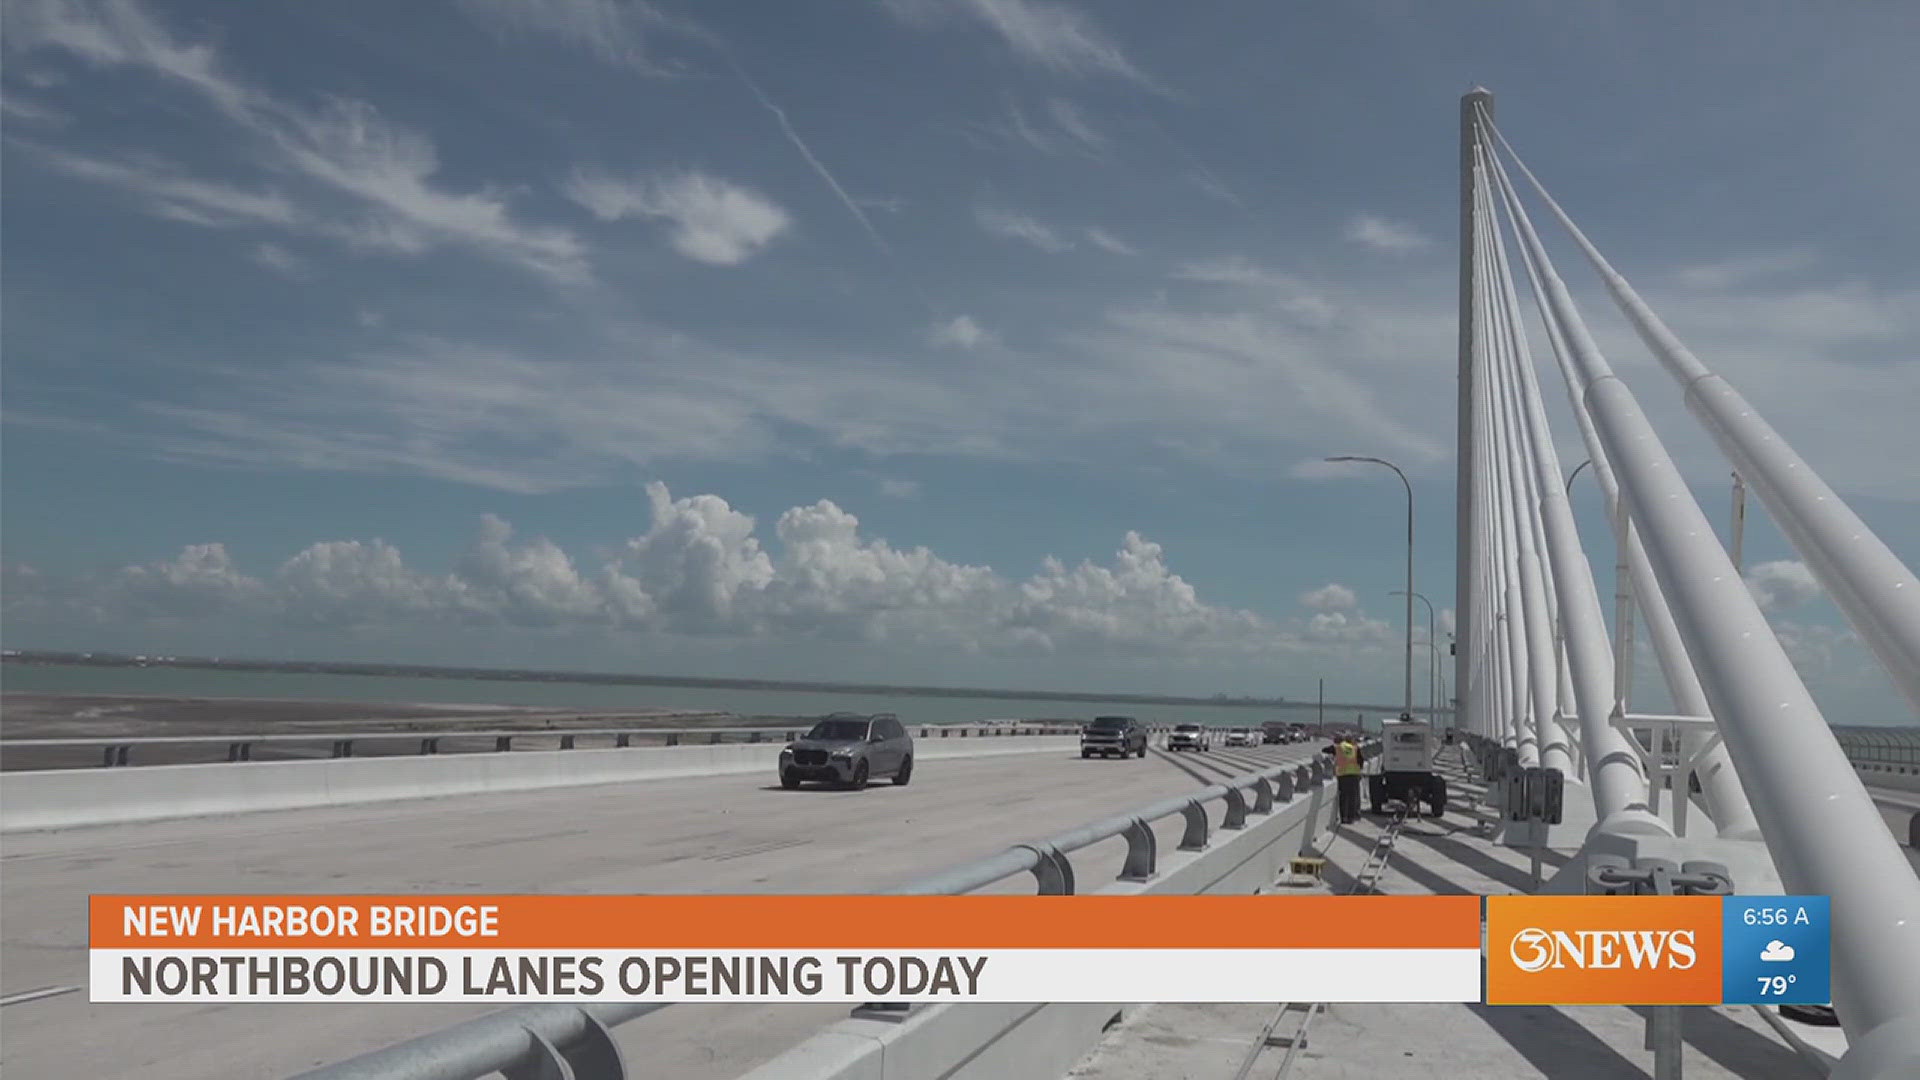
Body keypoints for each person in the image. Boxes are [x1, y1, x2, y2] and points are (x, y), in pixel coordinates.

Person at [1323, 733, 1365, 824]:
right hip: (1354, 775)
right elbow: (1361, 760)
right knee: (1353, 797)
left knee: (1344, 797)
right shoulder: (1354, 747)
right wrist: (1359, 769)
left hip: (1343, 775)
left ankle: (1344, 817)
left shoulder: (1338, 747)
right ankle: (1352, 818)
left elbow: (1325, 750)